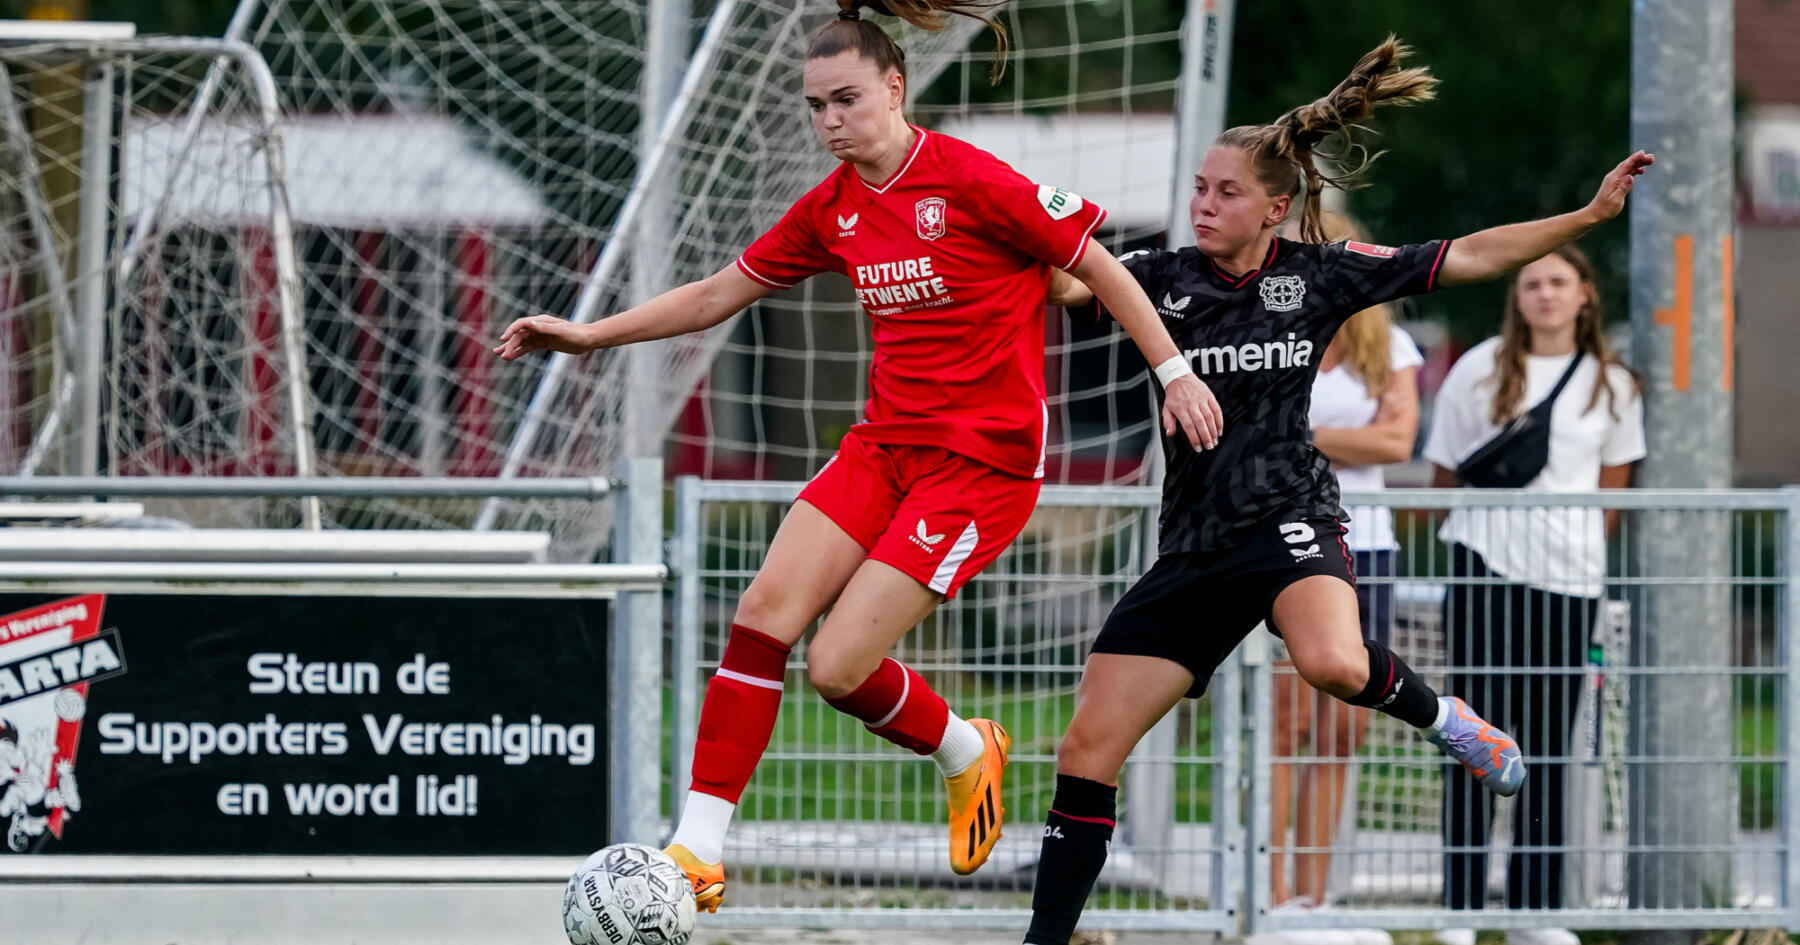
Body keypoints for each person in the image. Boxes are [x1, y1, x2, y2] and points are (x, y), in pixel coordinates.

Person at [494, 0, 1222, 914]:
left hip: (980, 467)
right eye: (815, 105)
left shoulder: (972, 179)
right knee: (762, 611)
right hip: (882, 448)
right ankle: (696, 850)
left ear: (895, 87)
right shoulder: (831, 209)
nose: (830, 120)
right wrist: (591, 335)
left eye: (846, 99)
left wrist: (1175, 373)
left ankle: (965, 745)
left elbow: (1103, 266)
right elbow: (719, 292)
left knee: (837, 667)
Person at [1020, 35, 1654, 945]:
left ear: (1277, 208)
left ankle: (1449, 720)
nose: (1204, 203)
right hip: (1193, 542)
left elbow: (1470, 256)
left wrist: (1588, 216)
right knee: (1085, 751)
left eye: (1226, 192)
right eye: (1198, 187)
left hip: (1291, 517)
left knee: (1335, 664)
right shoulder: (1157, 276)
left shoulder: (1319, 273)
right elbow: (1057, 278)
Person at [1423, 244, 1644, 945]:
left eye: (1557, 281)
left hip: (1568, 578)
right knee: (1473, 737)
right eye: (1530, 283)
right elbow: (1443, 476)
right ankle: (1461, 907)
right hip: (1484, 564)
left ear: (1584, 293)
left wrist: (1572, 545)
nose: (1544, 294)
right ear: (1516, 297)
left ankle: (1534, 910)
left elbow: (1613, 489)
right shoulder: (1479, 367)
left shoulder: (1613, 383)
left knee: (1548, 743)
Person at [1265, 212, 1424, 938]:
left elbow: (1397, 439)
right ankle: (1269, 887)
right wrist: (1329, 444)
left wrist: (1302, 438)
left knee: (1339, 728)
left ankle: (1315, 889)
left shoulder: (1388, 343)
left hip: (1369, 546)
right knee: (1282, 722)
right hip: (1278, 543)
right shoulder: (1268, 328)